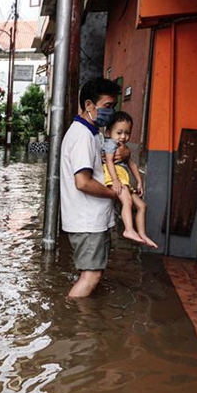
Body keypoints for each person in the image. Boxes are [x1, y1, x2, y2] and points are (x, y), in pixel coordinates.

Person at [60, 78, 129, 298]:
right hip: (87, 220)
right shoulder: (82, 136)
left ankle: (79, 315)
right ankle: (71, 316)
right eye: (107, 106)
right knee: (91, 276)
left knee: (89, 273)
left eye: (113, 106)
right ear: (89, 104)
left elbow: (107, 158)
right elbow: (83, 182)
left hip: (90, 218)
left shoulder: (92, 133)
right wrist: (116, 194)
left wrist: (124, 153)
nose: (111, 112)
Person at [102, 111, 158, 249]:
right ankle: (128, 229)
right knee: (127, 202)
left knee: (142, 206)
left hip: (123, 179)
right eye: (119, 132)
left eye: (127, 133)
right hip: (115, 177)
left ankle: (142, 234)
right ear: (108, 132)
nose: (123, 136)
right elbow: (109, 161)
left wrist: (139, 181)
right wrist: (115, 180)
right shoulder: (110, 144)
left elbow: (132, 164)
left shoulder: (123, 148)